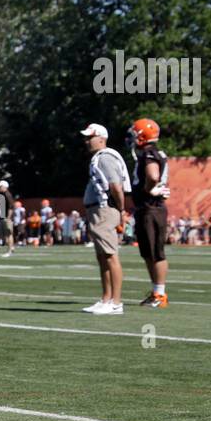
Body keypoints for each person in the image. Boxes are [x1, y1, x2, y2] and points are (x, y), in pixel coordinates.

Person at [80, 123, 130, 314]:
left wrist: (121, 209)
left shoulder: (105, 157)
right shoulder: (98, 158)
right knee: (102, 256)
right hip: (99, 210)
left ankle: (116, 302)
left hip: (105, 209)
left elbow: (116, 186)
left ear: (101, 138)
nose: (86, 141)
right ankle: (106, 298)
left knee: (110, 255)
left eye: (89, 137)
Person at [129, 120, 169, 306]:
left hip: (151, 207)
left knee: (155, 252)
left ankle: (160, 294)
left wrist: (148, 189)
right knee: (148, 252)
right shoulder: (152, 152)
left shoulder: (149, 153)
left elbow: (153, 175)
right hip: (149, 207)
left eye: (135, 133)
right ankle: (156, 293)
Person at [0, 180, 15, 256]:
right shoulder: (2, 195)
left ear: (4, 187)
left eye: (0, 186)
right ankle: (11, 248)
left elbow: (11, 207)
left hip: (6, 217)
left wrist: (8, 218)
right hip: (2, 217)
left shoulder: (7, 195)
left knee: (8, 234)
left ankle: (9, 251)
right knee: (4, 235)